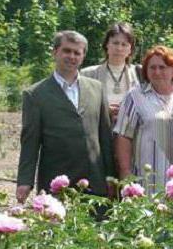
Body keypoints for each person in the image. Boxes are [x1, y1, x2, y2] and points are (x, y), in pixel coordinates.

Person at [17, 30, 114, 202]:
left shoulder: (97, 88)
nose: (72, 56)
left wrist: (110, 176)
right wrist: (25, 181)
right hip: (57, 183)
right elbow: (30, 142)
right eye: (67, 51)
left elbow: (105, 136)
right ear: (55, 52)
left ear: (83, 56)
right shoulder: (35, 94)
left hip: (95, 181)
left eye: (77, 52)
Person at [114, 46, 173, 192]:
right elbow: (123, 136)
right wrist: (125, 173)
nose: (157, 72)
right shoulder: (135, 97)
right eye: (152, 67)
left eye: (163, 67)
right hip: (146, 182)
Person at [81, 22, 140, 123]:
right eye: (115, 43)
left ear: (130, 49)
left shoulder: (140, 74)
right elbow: (79, 107)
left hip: (131, 134)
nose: (119, 48)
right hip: (99, 133)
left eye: (124, 44)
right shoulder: (87, 74)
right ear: (107, 45)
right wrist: (104, 110)